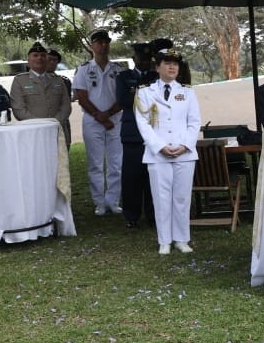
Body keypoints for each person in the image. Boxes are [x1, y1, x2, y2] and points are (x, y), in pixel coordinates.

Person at [135, 47, 201, 255]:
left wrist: (185, 145)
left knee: (181, 197)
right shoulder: (145, 92)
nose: (172, 67)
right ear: (157, 67)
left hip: (184, 152)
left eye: (175, 63)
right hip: (158, 153)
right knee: (161, 198)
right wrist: (160, 146)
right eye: (167, 63)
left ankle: (182, 239)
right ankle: (164, 240)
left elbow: (194, 121)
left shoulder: (187, 92)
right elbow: (143, 123)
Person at [73, 29, 126, 215]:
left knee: (116, 162)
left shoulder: (118, 69)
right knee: (95, 163)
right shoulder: (84, 69)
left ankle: (113, 201)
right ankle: (99, 203)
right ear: (92, 46)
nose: (103, 46)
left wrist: (109, 114)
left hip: (115, 120)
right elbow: (82, 96)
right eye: (99, 42)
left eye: (106, 42)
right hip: (93, 121)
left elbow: (123, 96)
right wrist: (100, 117)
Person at [116, 42, 157, 228]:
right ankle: (131, 216)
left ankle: (153, 214)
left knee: (152, 176)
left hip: (154, 131)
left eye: (148, 59)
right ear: (134, 59)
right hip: (132, 133)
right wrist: (145, 93)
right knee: (131, 176)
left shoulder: (157, 77)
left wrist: (137, 93)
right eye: (142, 59)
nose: (145, 62)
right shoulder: (124, 77)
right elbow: (123, 100)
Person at [10, 42, 72, 146]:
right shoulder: (19, 81)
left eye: (43, 55)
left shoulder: (58, 80)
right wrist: (41, 125)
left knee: (58, 161)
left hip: (56, 131)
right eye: (35, 55)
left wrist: (55, 123)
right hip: (32, 133)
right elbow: (18, 109)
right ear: (28, 61)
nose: (40, 58)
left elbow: (66, 106)